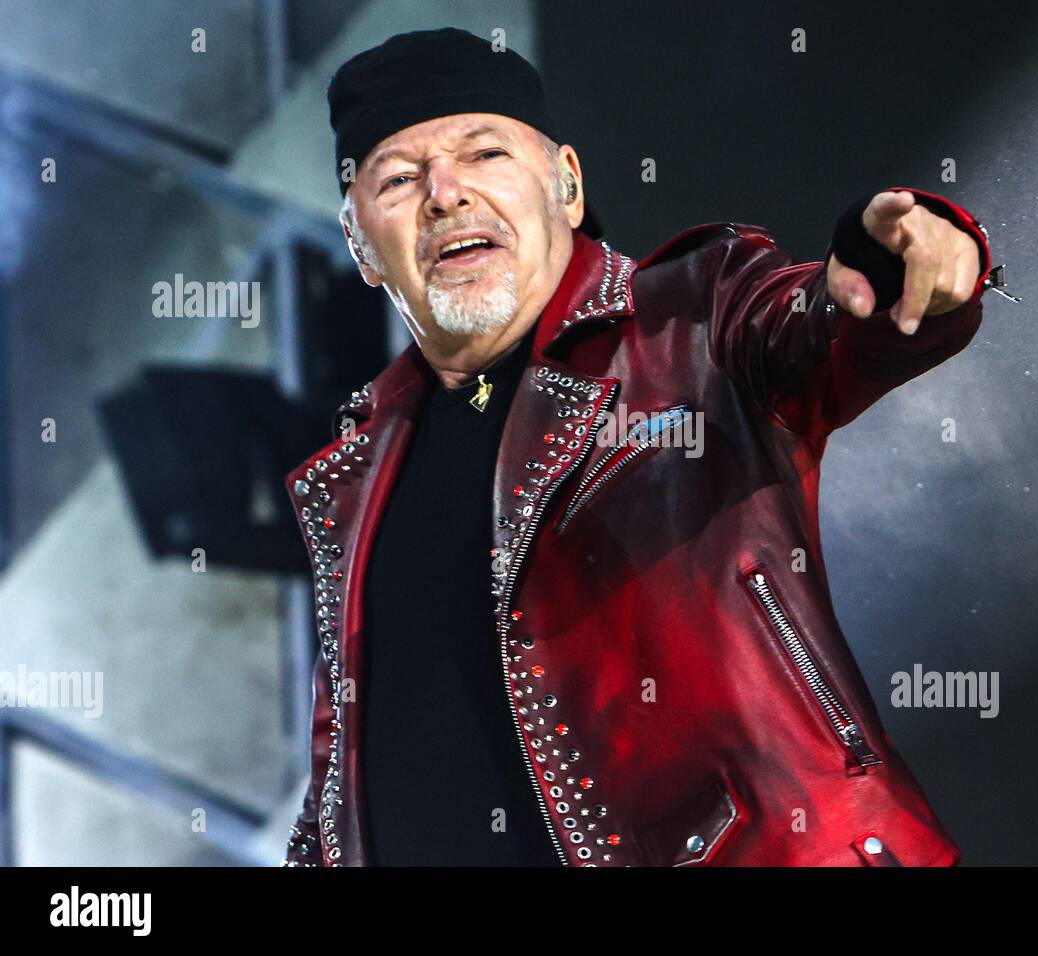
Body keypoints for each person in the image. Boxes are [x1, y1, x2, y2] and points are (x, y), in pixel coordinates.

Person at [283, 27, 999, 867]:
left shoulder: (691, 318)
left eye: (484, 154)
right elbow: (341, 786)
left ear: (569, 187)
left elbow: (825, 329)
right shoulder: (353, 474)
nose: (445, 195)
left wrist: (906, 258)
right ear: (361, 244)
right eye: (398, 179)